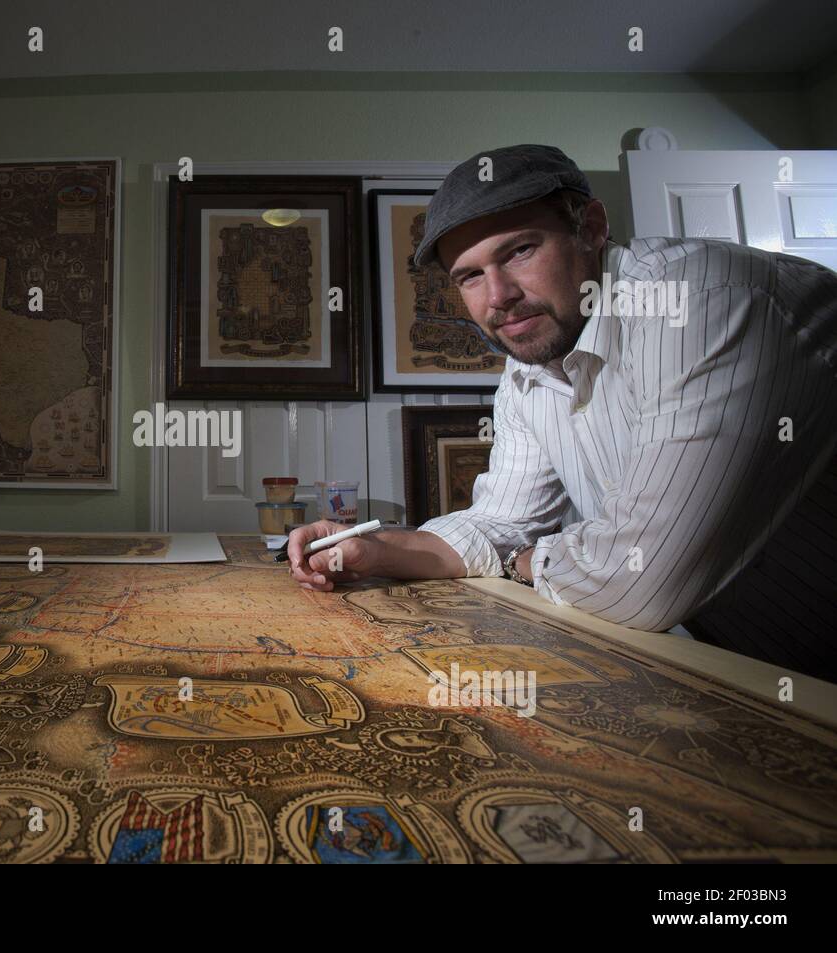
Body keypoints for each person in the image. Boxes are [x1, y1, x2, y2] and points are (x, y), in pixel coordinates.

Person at [287, 144, 837, 679]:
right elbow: (501, 522)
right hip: (746, 671)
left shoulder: (699, 303)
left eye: (519, 252)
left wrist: (526, 560)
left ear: (591, 228)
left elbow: (640, 580)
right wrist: (369, 548)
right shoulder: (528, 370)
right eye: (469, 276)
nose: (497, 296)